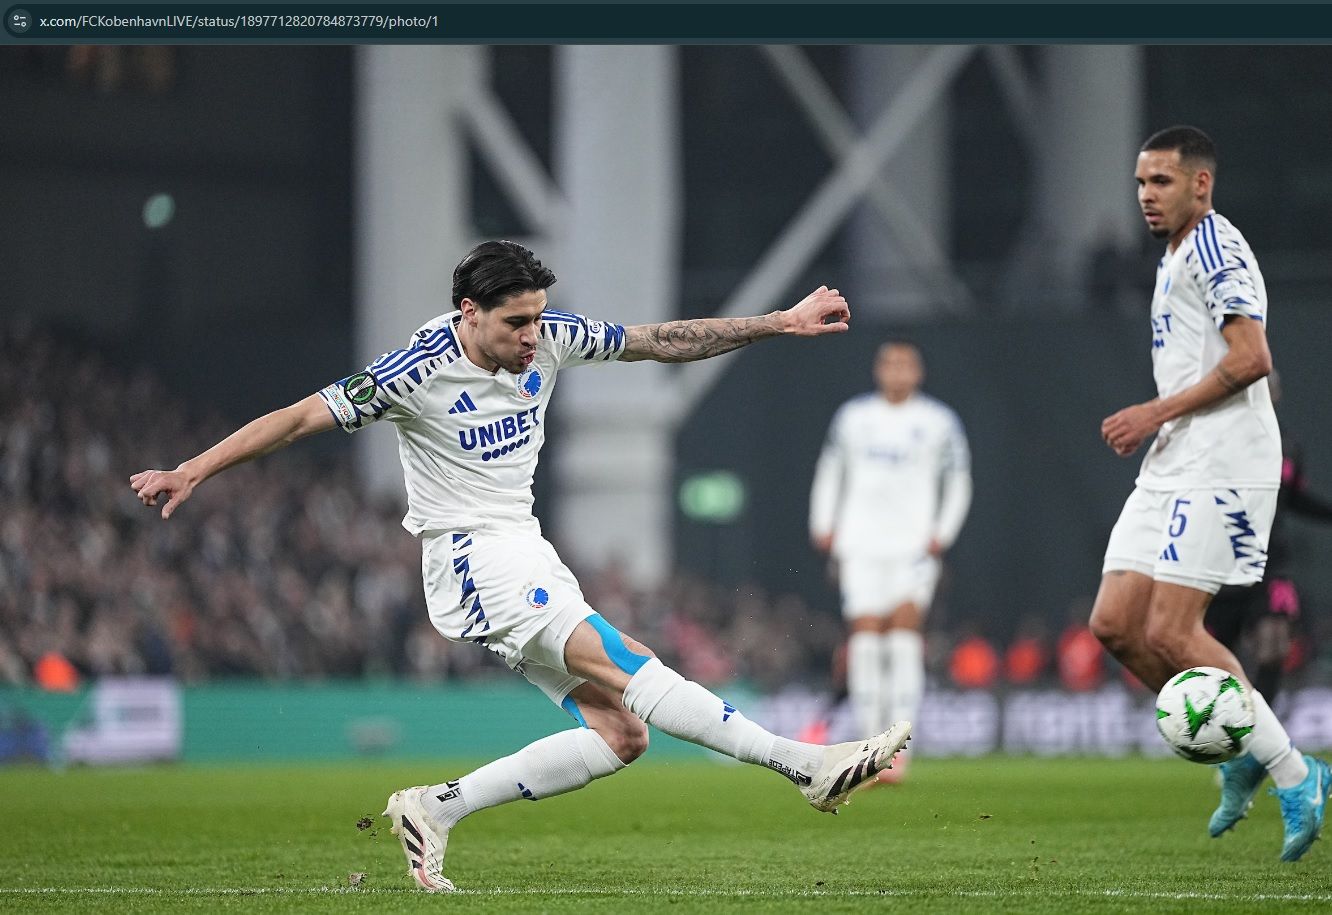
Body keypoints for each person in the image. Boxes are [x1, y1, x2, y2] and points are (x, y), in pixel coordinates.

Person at [130, 240, 911, 892]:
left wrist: (778, 322)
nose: (533, 337)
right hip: (471, 554)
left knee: (621, 733)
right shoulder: (413, 370)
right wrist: (194, 468)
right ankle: (801, 762)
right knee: (624, 657)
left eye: (538, 318)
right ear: (469, 313)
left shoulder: (551, 336)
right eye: (515, 323)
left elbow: (660, 338)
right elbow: (300, 416)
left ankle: (435, 808)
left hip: (523, 546)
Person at [1090, 126, 1330, 862]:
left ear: (1201, 184)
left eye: (1161, 182)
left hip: (1224, 457)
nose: (1146, 196)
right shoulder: (1169, 256)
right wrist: (1165, 424)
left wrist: (1154, 411)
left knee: (1171, 630)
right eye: (1139, 183)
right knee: (1116, 624)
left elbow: (1253, 357)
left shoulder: (1218, 249)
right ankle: (1240, 749)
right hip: (1174, 456)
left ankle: (1298, 773)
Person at [808, 342, 971, 783]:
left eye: (905, 363)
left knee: (902, 633)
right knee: (864, 638)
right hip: (859, 541)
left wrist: (944, 531)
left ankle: (899, 752)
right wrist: (823, 521)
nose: (897, 371)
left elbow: (958, 479)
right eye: (889, 363)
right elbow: (830, 469)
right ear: (878, 369)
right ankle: (869, 747)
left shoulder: (938, 421)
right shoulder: (853, 417)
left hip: (912, 544)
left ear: (918, 371)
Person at [1207, 370, 1332, 703]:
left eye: (1269, 387)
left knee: (1275, 644)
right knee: (1209, 658)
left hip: (1271, 564)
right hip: (1220, 566)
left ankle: (1261, 733)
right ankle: (1213, 725)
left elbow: (1294, 496)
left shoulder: (1286, 445)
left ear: (1276, 394)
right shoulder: (1216, 440)